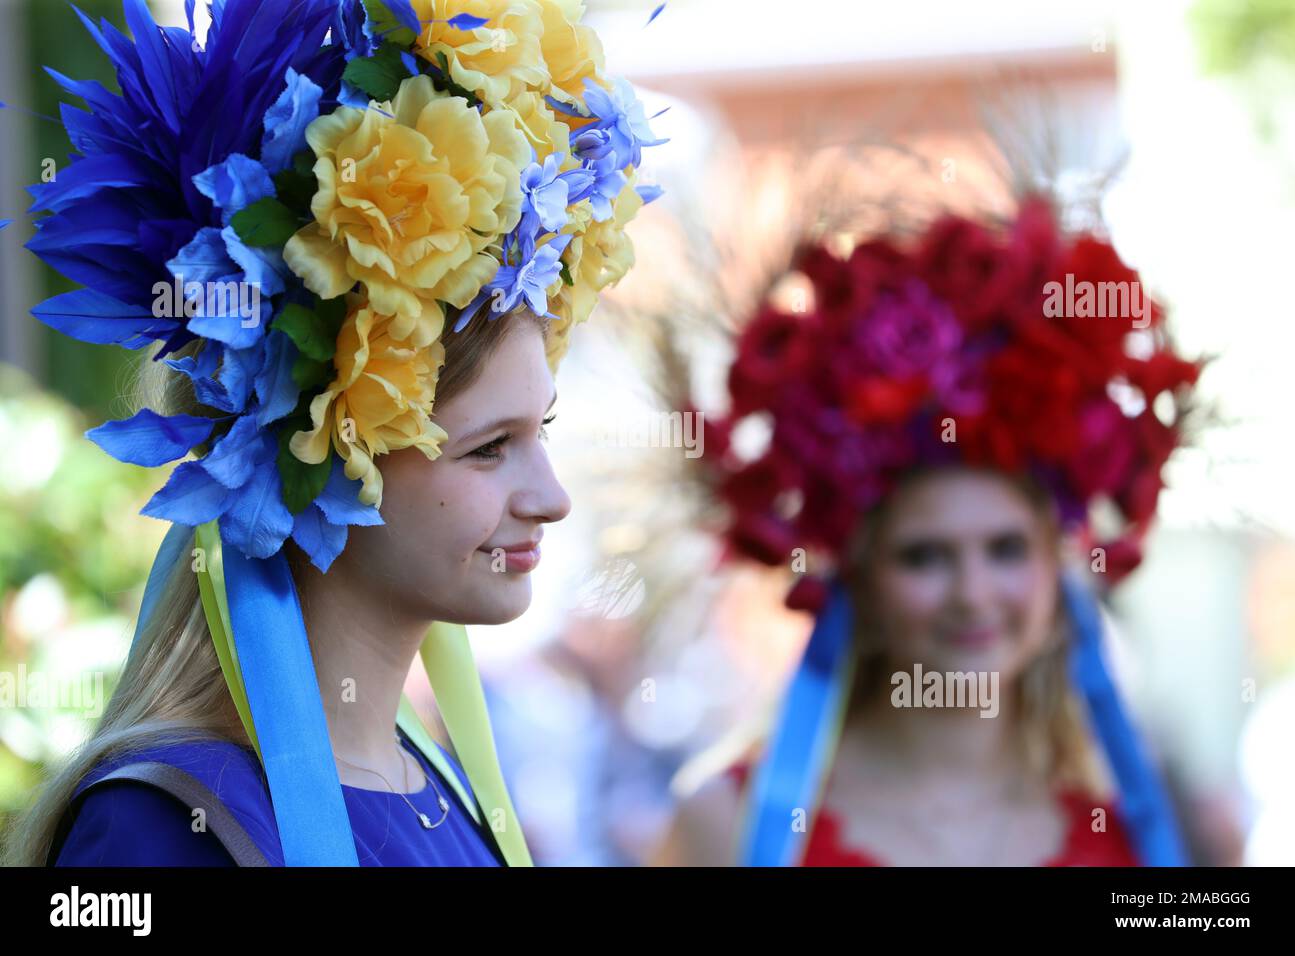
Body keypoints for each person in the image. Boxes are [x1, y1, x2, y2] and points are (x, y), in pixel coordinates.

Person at [3, 0, 661, 867]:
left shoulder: (435, 792)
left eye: (540, 430)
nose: (552, 499)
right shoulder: (165, 825)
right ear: (321, 447)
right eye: (488, 447)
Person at [651, 195, 1201, 867]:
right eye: (923, 557)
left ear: (1058, 568)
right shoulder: (727, 823)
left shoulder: (1151, 835)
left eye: (1006, 549)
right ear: (858, 579)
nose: (972, 592)